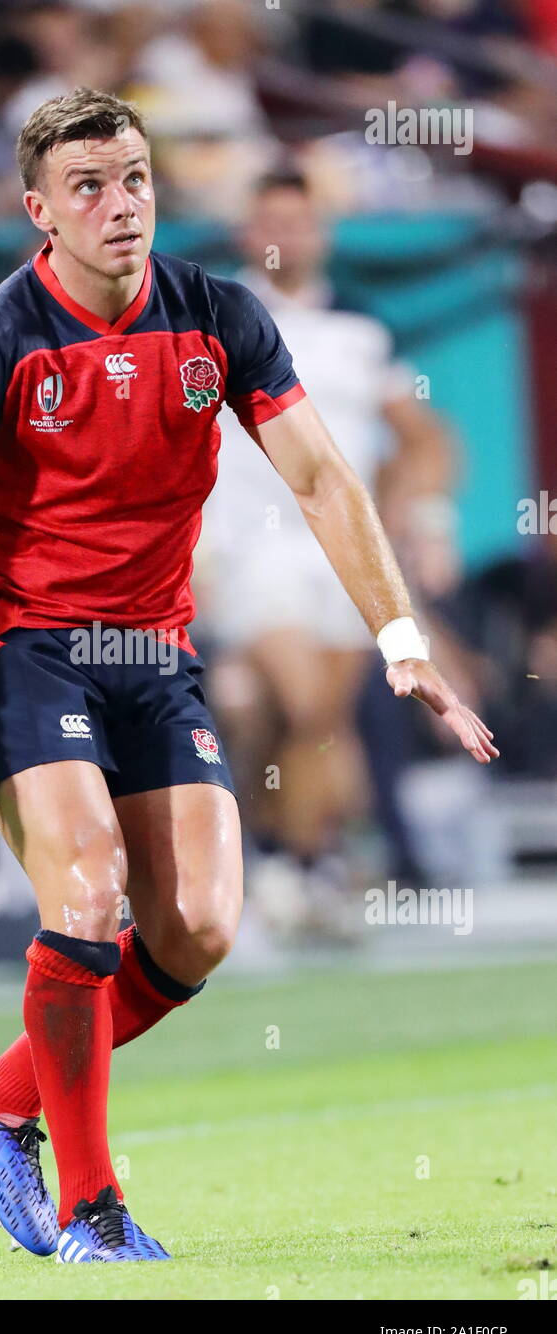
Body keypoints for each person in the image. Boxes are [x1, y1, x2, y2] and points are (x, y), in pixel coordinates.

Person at [0, 86, 498, 1264]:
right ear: (38, 211)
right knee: (84, 901)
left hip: (155, 652)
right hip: (22, 647)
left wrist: (403, 644)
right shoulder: (1, 338)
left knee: (196, 933)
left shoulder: (216, 317)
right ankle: (92, 1210)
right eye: (88, 187)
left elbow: (323, 479)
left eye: (133, 179)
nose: (119, 206)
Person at [198, 170, 458, 927]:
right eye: (269, 221)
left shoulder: (363, 326)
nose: (285, 236)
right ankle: (294, 861)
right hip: (247, 549)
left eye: (299, 221)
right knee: (304, 702)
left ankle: (292, 861)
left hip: (341, 551)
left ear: (323, 233)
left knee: (310, 721)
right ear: (249, 234)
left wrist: (428, 521)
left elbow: (421, 438)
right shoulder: (214, 317)